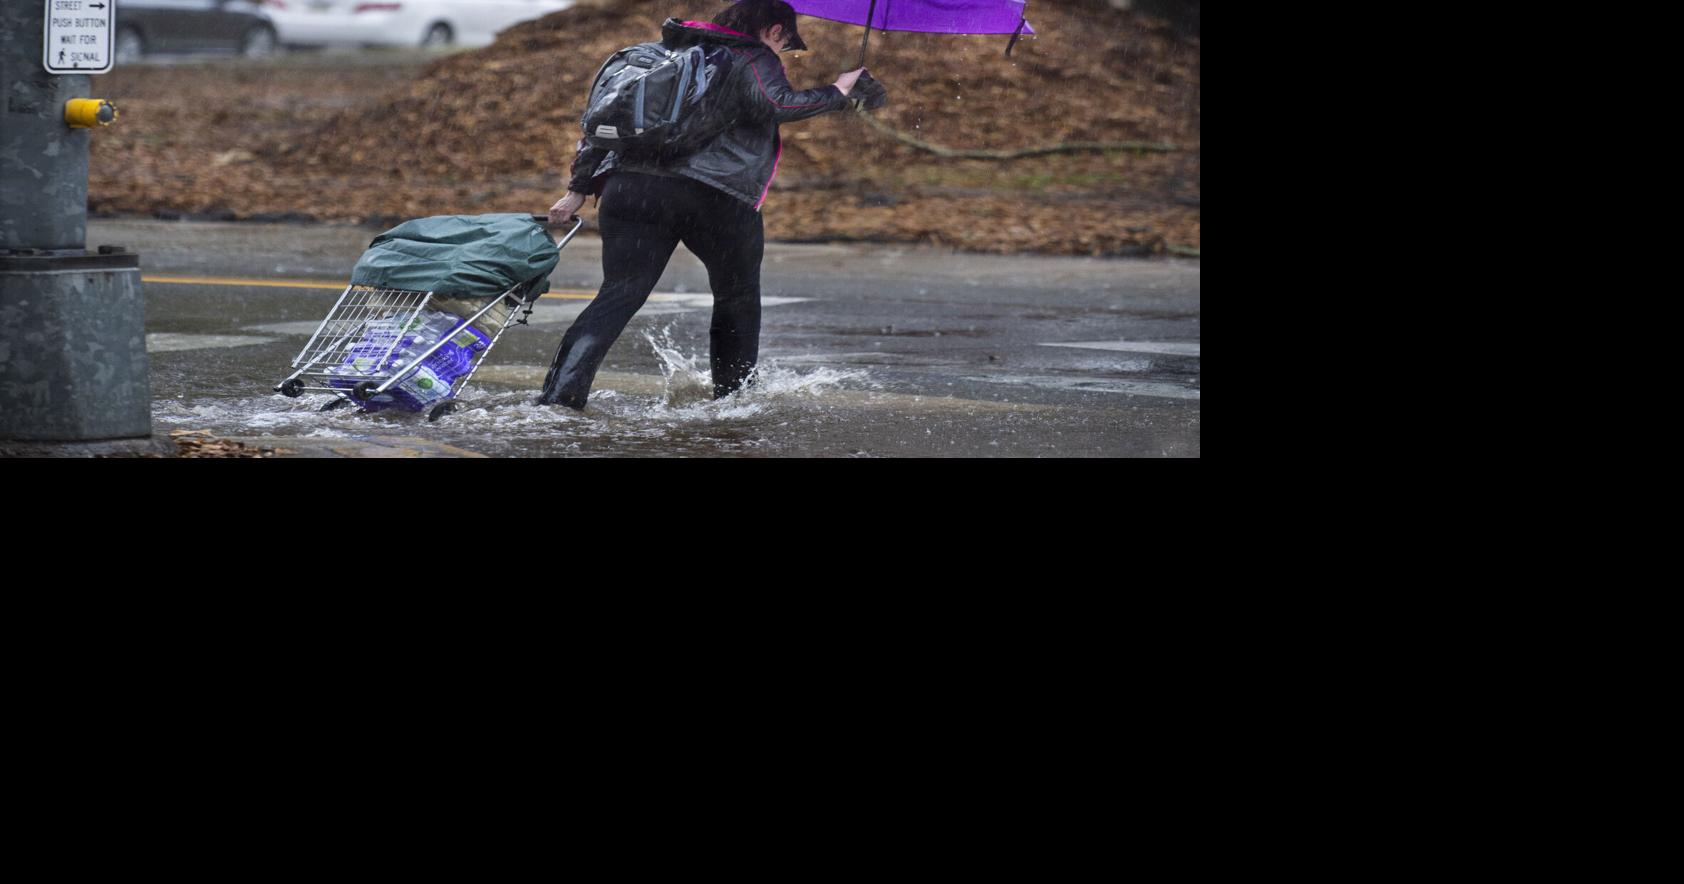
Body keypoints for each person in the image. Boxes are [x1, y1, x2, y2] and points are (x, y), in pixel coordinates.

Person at [539, 0, 871, 409]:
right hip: (713, 197)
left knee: (619, 293)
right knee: (737, 295)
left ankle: (558, 399)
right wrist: (838, 92)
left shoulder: (657, 55)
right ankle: (732, 400)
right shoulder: (750, 56)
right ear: (776, 31)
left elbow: (601, 126)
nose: (780, 52)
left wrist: (577, 189)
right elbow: (777, 103)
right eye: (784, 44)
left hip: (632, 190)